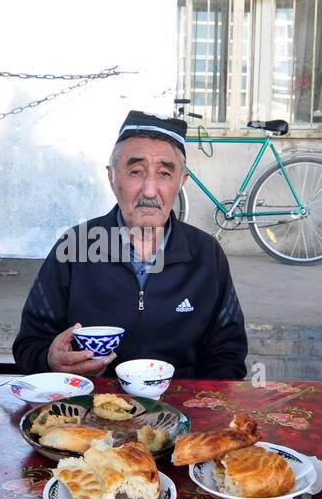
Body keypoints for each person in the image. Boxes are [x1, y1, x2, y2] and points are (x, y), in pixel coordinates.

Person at [13, 110, 247, 380]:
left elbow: (228, 353)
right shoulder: (74, 248)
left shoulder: (206, 254)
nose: (149, 190)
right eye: (136, 172)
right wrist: (49, 359)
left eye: (164, 174)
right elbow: (28, 345)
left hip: (180, 409)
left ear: (181, 183)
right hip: (89, 410)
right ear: (112, 177)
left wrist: (199, 409)